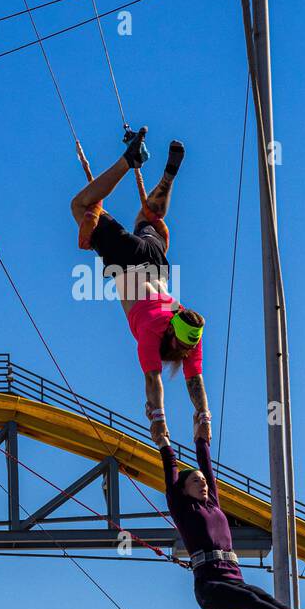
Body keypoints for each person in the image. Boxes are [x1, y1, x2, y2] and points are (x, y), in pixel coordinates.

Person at [70, 127, 208, 444]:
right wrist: (159, 422)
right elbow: (155, 379)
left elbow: (196, 383)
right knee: (81, 205)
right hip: (128, 262)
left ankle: (167, 179)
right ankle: (127, 161)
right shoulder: (154, 331)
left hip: (157, 261)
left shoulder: (185, 323)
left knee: (147, 219)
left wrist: (204, 416)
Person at [157, 426, 305, 609]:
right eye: (195, 480)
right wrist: (164, 442)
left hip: (235, 580)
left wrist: (201, 440)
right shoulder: (183, 508)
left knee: (264, 597)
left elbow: (206, 466)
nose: (203, 483)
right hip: (209, 588)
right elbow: (170, 469)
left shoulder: (213, 505)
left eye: (203, 480)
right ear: (183, 489)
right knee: (250, 600)